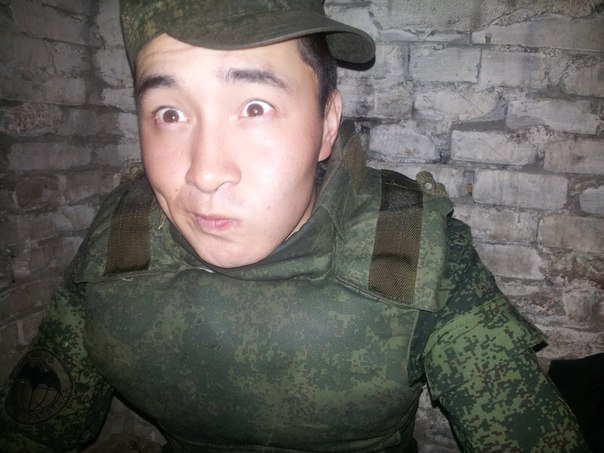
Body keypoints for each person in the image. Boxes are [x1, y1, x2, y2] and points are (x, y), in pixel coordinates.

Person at [0, 1, 590, 452]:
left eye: (254, 107)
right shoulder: (121, 238)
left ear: (327, 124)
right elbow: (38, 429)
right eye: (170, 113)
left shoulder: (409, 249)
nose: (205, 173)